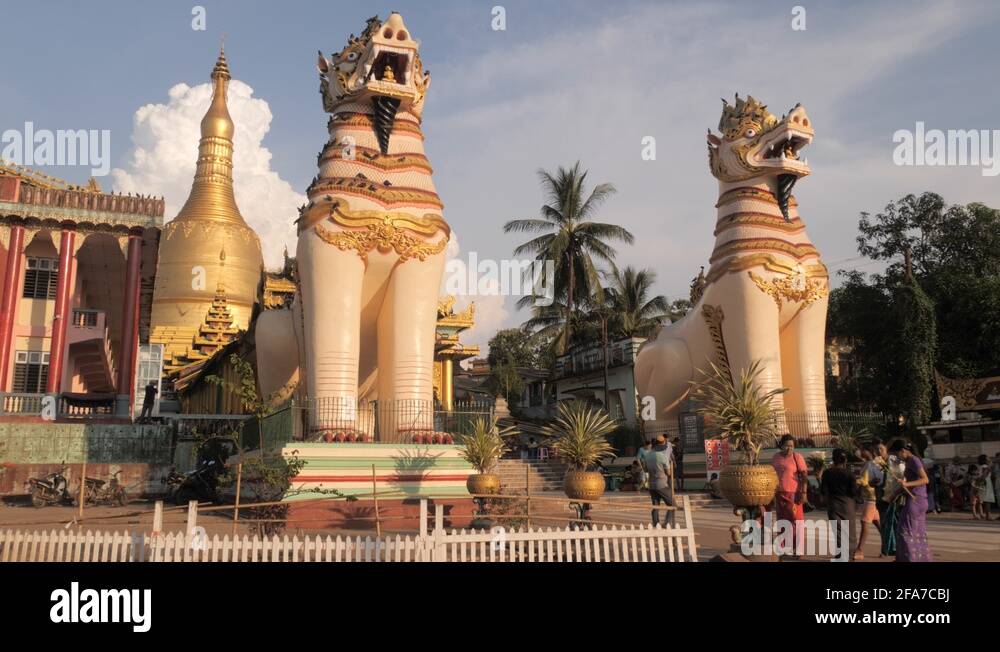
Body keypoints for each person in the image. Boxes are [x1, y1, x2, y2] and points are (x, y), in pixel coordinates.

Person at [888, 439, 933, 562]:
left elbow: (925, 480)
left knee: (905, 531)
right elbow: (910, 484)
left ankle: (909, 559)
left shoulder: (913, 460)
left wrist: (906, 484)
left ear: (903, 451)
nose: (897, 457)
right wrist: (895, 494)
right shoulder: (910, 461)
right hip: (919, 499)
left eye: (897, 453)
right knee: (917, 532)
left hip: (916, 501)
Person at [771, 434, 808, 555]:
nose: (789, 448)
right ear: (781, 445)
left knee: (796, 521)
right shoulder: (775, 457)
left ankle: (799, 549)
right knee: (782, 521)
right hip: (779, 493)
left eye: (792, 446)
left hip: (794, 493)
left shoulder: (797, 457)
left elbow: (804, 476)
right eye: (787, 445)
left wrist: (804, 492)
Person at [821, 448, 857, 560]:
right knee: (850, 530)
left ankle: (840, 554)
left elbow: (824, 491)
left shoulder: (827, 473)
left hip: (833, 504)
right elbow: (854, 492)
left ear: (833, 459)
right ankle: (849, 555)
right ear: (845, 460)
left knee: (838, 530)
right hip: (848, 504)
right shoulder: (850, 474)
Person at [854, 446, 883, 560]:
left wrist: (852, 480)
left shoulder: (870, 464)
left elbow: (864, 480)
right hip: (873, 497)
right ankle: (890, 547)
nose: (860, 452)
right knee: (880, 525)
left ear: (869, 452)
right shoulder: (874, 463)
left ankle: (859, 549)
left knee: (865, 523)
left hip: (871, 497)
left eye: (862, 449)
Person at [646, 435, 675, 527]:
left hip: (651, 484)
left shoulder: (648, 455)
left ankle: (655, 523)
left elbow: (646, 469)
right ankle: (666, 523)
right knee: (672, 504)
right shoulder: (662, 456)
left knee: (655, 505)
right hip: (661, 484)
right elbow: (668, 473)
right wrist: (669, 468)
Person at [971, 455, 994, 520]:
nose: (989, 459)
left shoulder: (981, 467)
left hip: (984, 483)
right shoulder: (985, 466)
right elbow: (984, 475)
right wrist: (989, 467)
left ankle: (987, 515)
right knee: (988, 500)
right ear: (985, 460)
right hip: (986, 483)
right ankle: (988, 515)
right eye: (988, 458)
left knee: (986, 500)